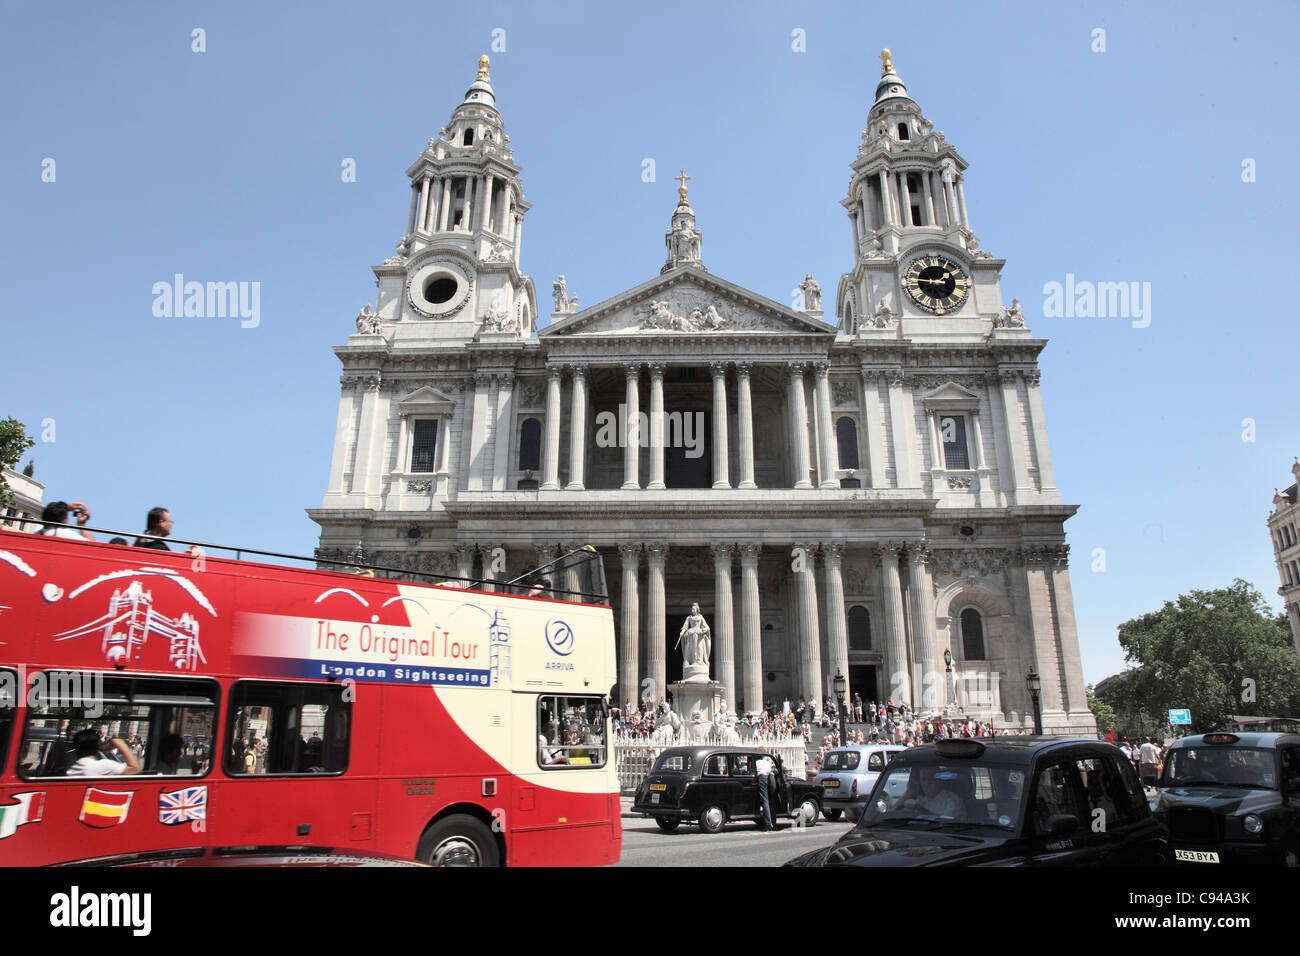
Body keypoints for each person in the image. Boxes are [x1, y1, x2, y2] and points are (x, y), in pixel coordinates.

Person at [133, 506, 203, 558]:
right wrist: (189, 556)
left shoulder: (140, 541)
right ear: (161, 523)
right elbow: (170, 565)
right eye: (169, 521)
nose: (171, 524)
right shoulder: (156, 546)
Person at [67, 729, 142, 776]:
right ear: (97, 746)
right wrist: (119, 743)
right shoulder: (103, 765)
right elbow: (136, 769)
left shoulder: (72, 768)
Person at [755, 753, 776, 830]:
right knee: (771, 801)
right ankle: (773, 822)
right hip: (771, 777)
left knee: (765, 800)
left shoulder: (757, 762)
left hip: (762, 777)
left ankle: (768, 823)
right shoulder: (767, 762)